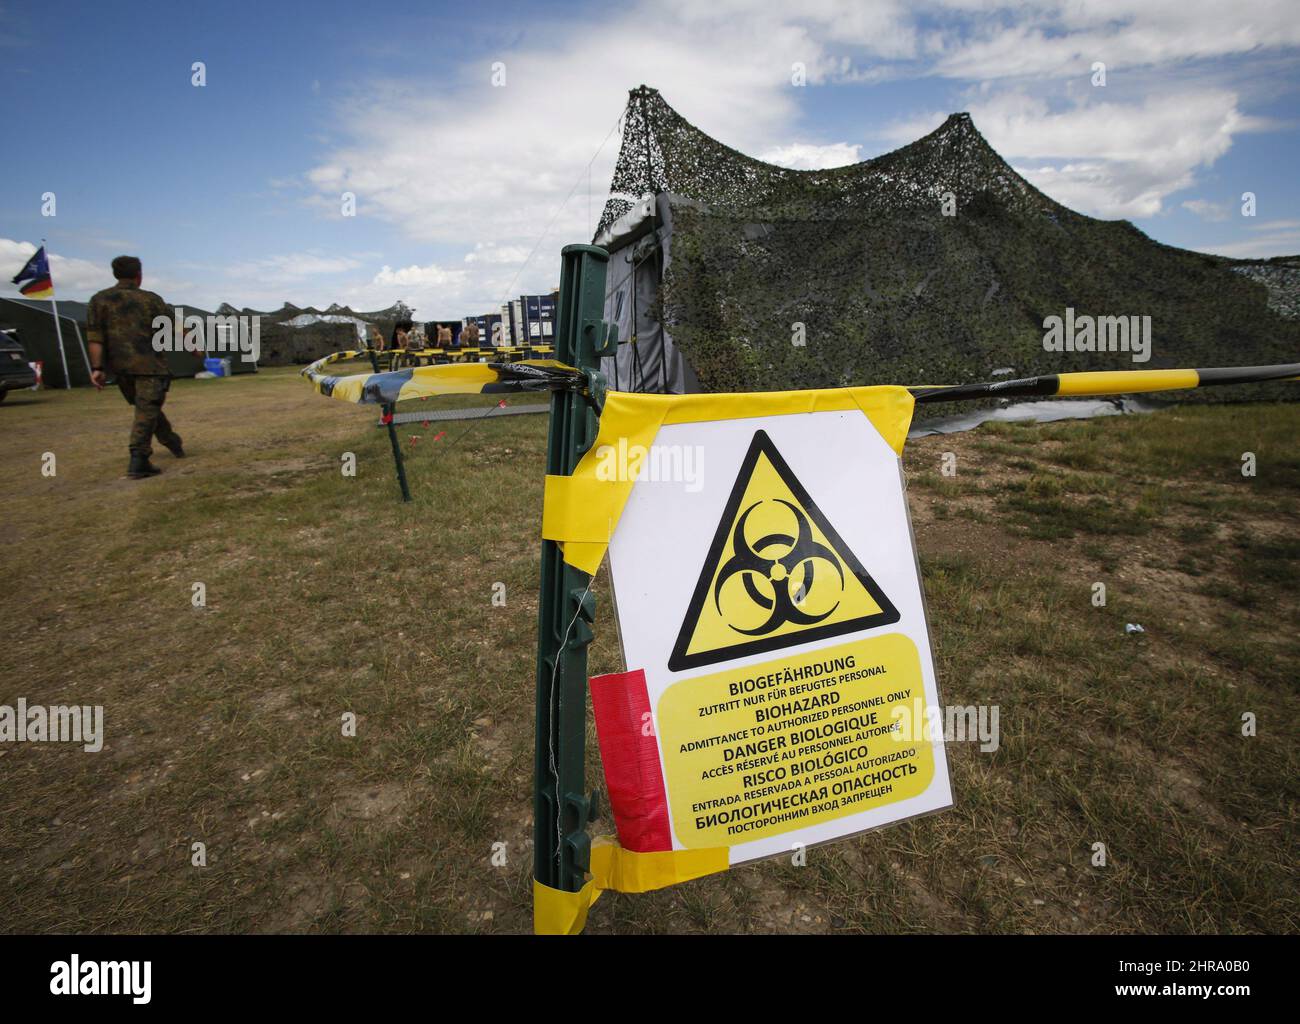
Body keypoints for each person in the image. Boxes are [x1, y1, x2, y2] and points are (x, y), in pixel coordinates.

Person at [86, 256, 184, 479]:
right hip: (151, 366)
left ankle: (171, 441)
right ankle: (139, 458)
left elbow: (95, 337)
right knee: (147, 409)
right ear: (139, 275)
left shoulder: (99, 300)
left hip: (121, 369)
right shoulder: (150, 300)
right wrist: (194, 346)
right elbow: (176, 326)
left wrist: (97, 368)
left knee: (147, 408)